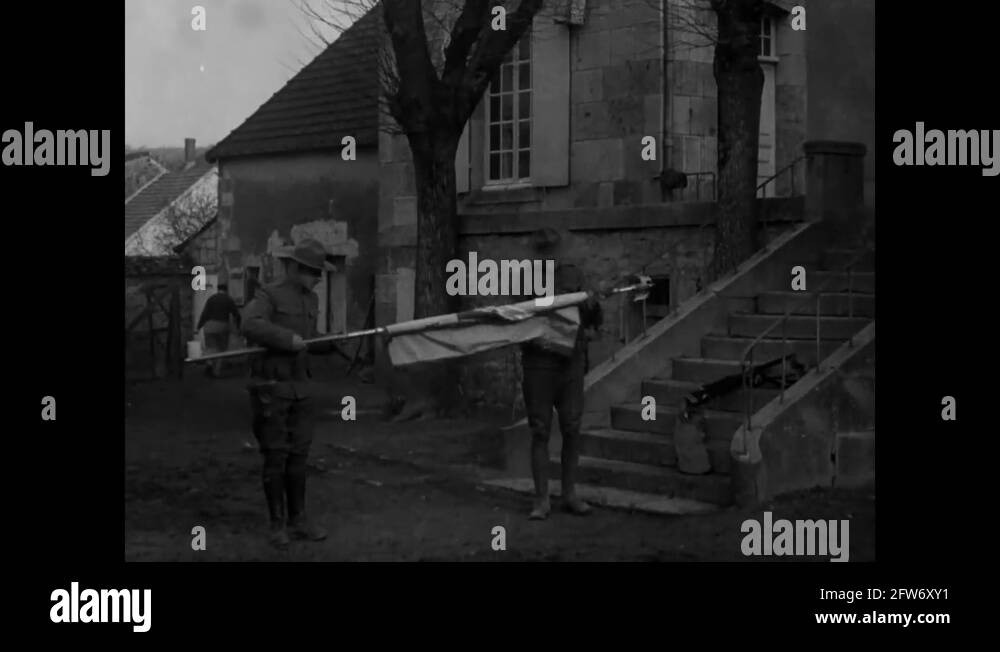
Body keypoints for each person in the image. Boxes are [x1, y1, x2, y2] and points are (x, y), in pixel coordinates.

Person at [242, 239, 338, 549]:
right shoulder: (268, 293)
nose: (317, 279)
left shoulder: (311, 301)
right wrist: (287, 339)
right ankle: (276, 524)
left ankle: (299, 519)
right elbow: (250, 324)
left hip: (301, 389)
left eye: (319, 274)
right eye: (312, 272)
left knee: (299, 457)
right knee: (275, 456)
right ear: (296, 268)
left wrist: (332, 342)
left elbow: (308, 341)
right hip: (273, 388)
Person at [520, 227, 603, 520]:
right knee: (540, 430)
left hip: (570, 364)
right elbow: (514, 319)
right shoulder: (523, 280)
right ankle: (541, 499)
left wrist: (591, 314)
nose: (547, 258)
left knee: (572, 427)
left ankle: (570, 494)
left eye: (552, 253)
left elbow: (594, 315)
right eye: (541, 253)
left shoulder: (574, 276)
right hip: (538, 364)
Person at [196, 283, 241, 377]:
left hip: (209, 326)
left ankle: (209, 363)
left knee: (210, 348)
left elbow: (204, 314)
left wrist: (198, 327)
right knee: (221, 350)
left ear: (218, 289)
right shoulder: (228, 299)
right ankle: (216, 372)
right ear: (226, 290)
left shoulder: (211, 299)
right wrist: (239, 327)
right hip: (222, 326)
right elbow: (236, 314)